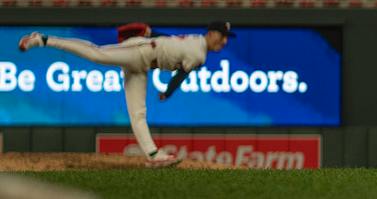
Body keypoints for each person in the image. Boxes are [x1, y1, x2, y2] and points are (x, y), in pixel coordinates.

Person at [18, 20, 235, 168]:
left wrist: (152, 33)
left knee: (138, 113)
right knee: (97, 54)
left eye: (226, 38)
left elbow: (168, 41)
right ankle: (43, 39)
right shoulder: (199, 53)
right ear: (212, 33)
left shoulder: (195, 40)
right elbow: (181, 75)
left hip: (143, 63)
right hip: (141, 52)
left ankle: (152, 155)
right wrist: (168, 91)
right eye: (222, 36)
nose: (224, 41)